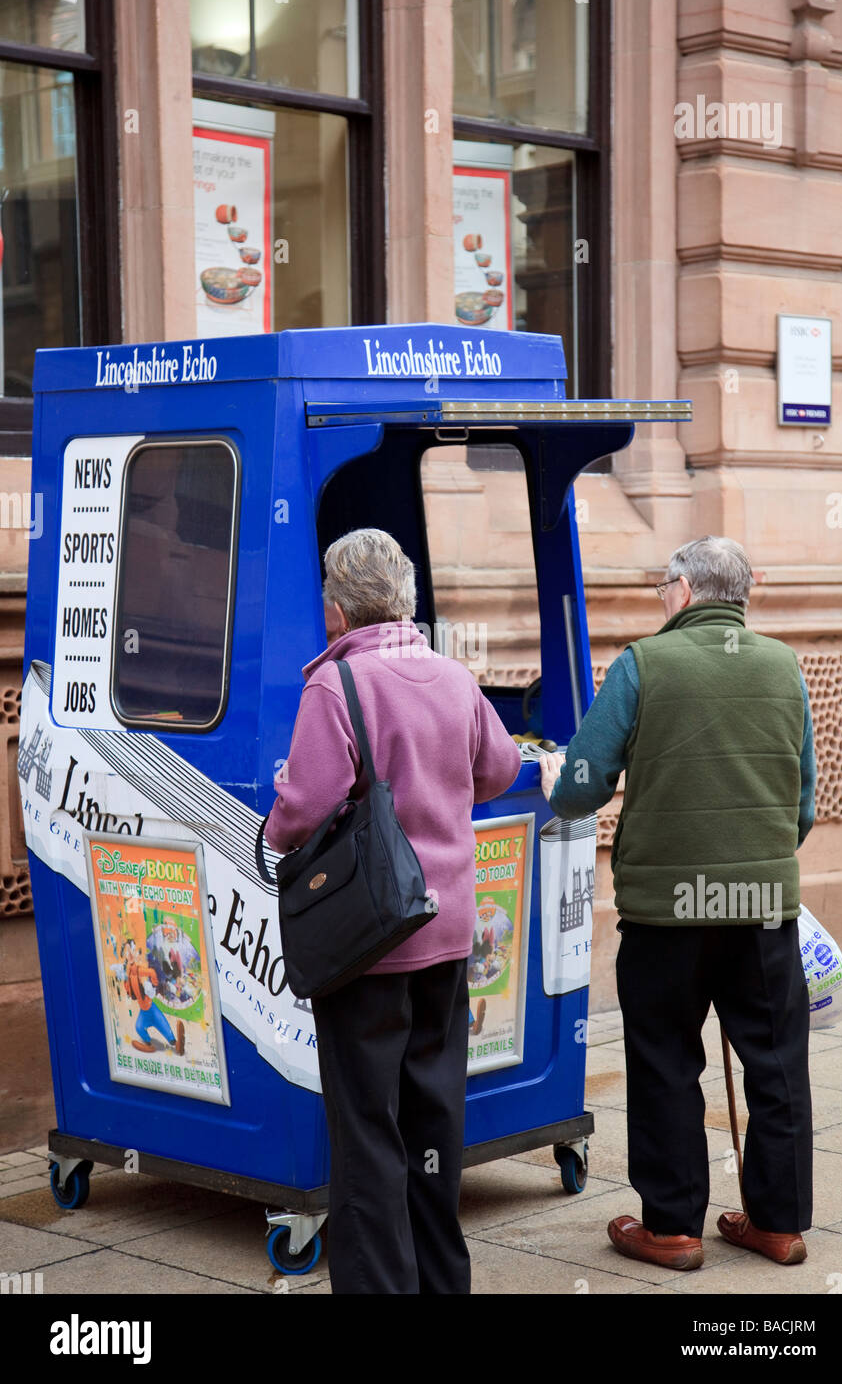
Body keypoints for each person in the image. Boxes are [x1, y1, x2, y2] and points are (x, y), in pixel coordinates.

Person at [539, 536, 816, 1271]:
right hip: (762, 908)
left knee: (665, 1060)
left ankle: (672, 1228)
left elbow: (582, 784)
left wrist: (554, 782)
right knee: (778, 1065)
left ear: (686, 590)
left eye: (664, 585)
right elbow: (803, 807)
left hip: (668, 913)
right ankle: (780, 1224)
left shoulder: (642, 663)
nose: (661, 597)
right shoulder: (785, 666)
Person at [264, 528, 521, 1294]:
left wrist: (273, 824)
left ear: (338, 611)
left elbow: (302, 809)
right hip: (445, 937)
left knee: (368, 1127)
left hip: (369, 940)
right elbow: (501, 769)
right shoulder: (451, 674)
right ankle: (443, 1280)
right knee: (434, 1120)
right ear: (405, 600)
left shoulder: (335, 686)